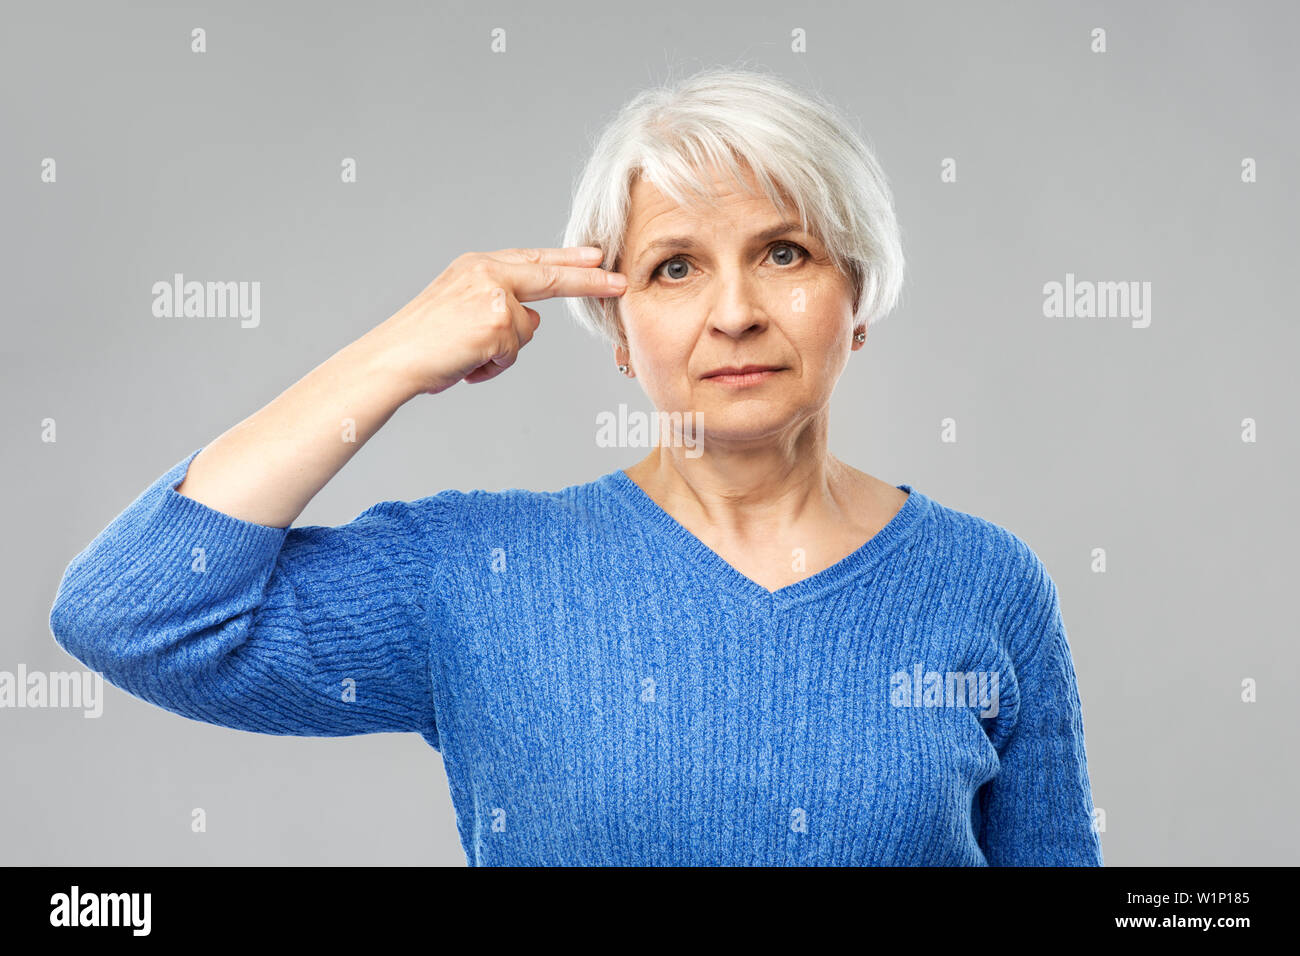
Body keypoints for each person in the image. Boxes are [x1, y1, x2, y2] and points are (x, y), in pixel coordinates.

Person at [48, 66, 1103, 866]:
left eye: (783, 252)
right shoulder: (482, 574)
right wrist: (395, 353)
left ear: (856, 299)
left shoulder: (986, 583)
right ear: (616, 328)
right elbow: (131, 611)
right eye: (674, 267)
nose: (734, 311)